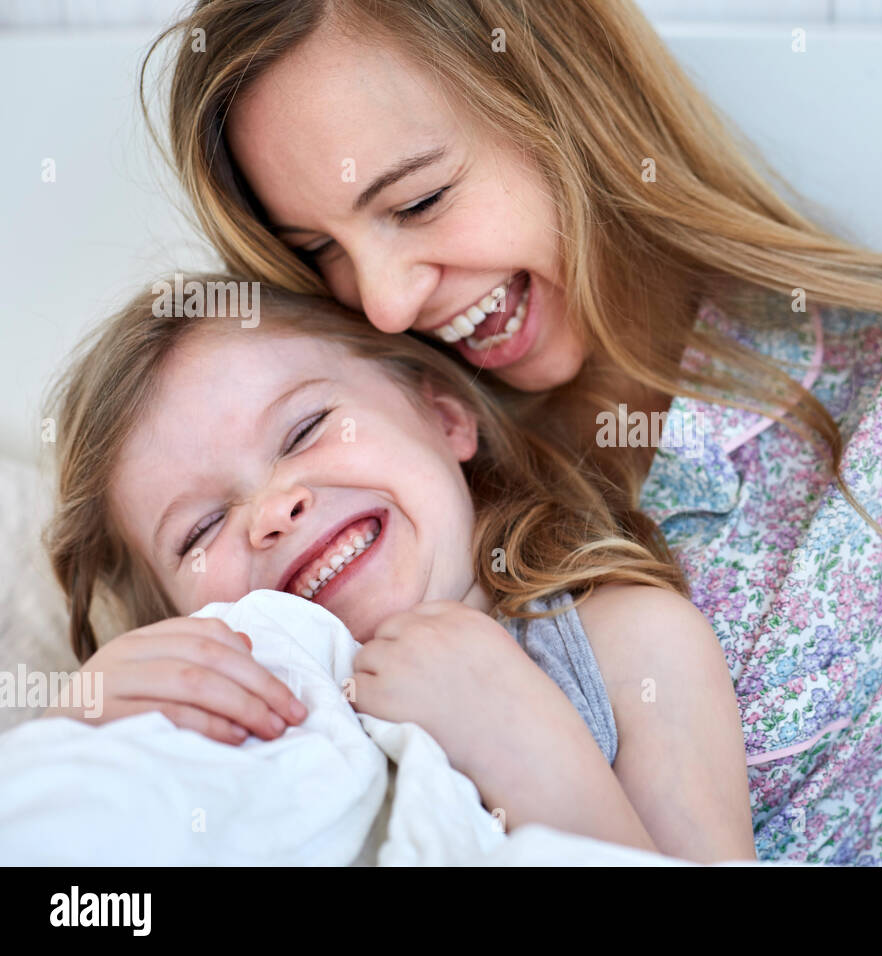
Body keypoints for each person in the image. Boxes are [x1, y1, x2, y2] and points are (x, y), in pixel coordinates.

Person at [146, 0, 882, 864]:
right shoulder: (353, 464)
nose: (387, 301)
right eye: (319, 252)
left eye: (417, 202)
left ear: (574, 110)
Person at [40, 279, 757, 864]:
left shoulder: (630, 644)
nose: (272, 510)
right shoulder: (225, 733)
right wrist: (74, 745)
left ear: (444, 415)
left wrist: (519, 744)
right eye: (200, 529)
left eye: (304, 430)